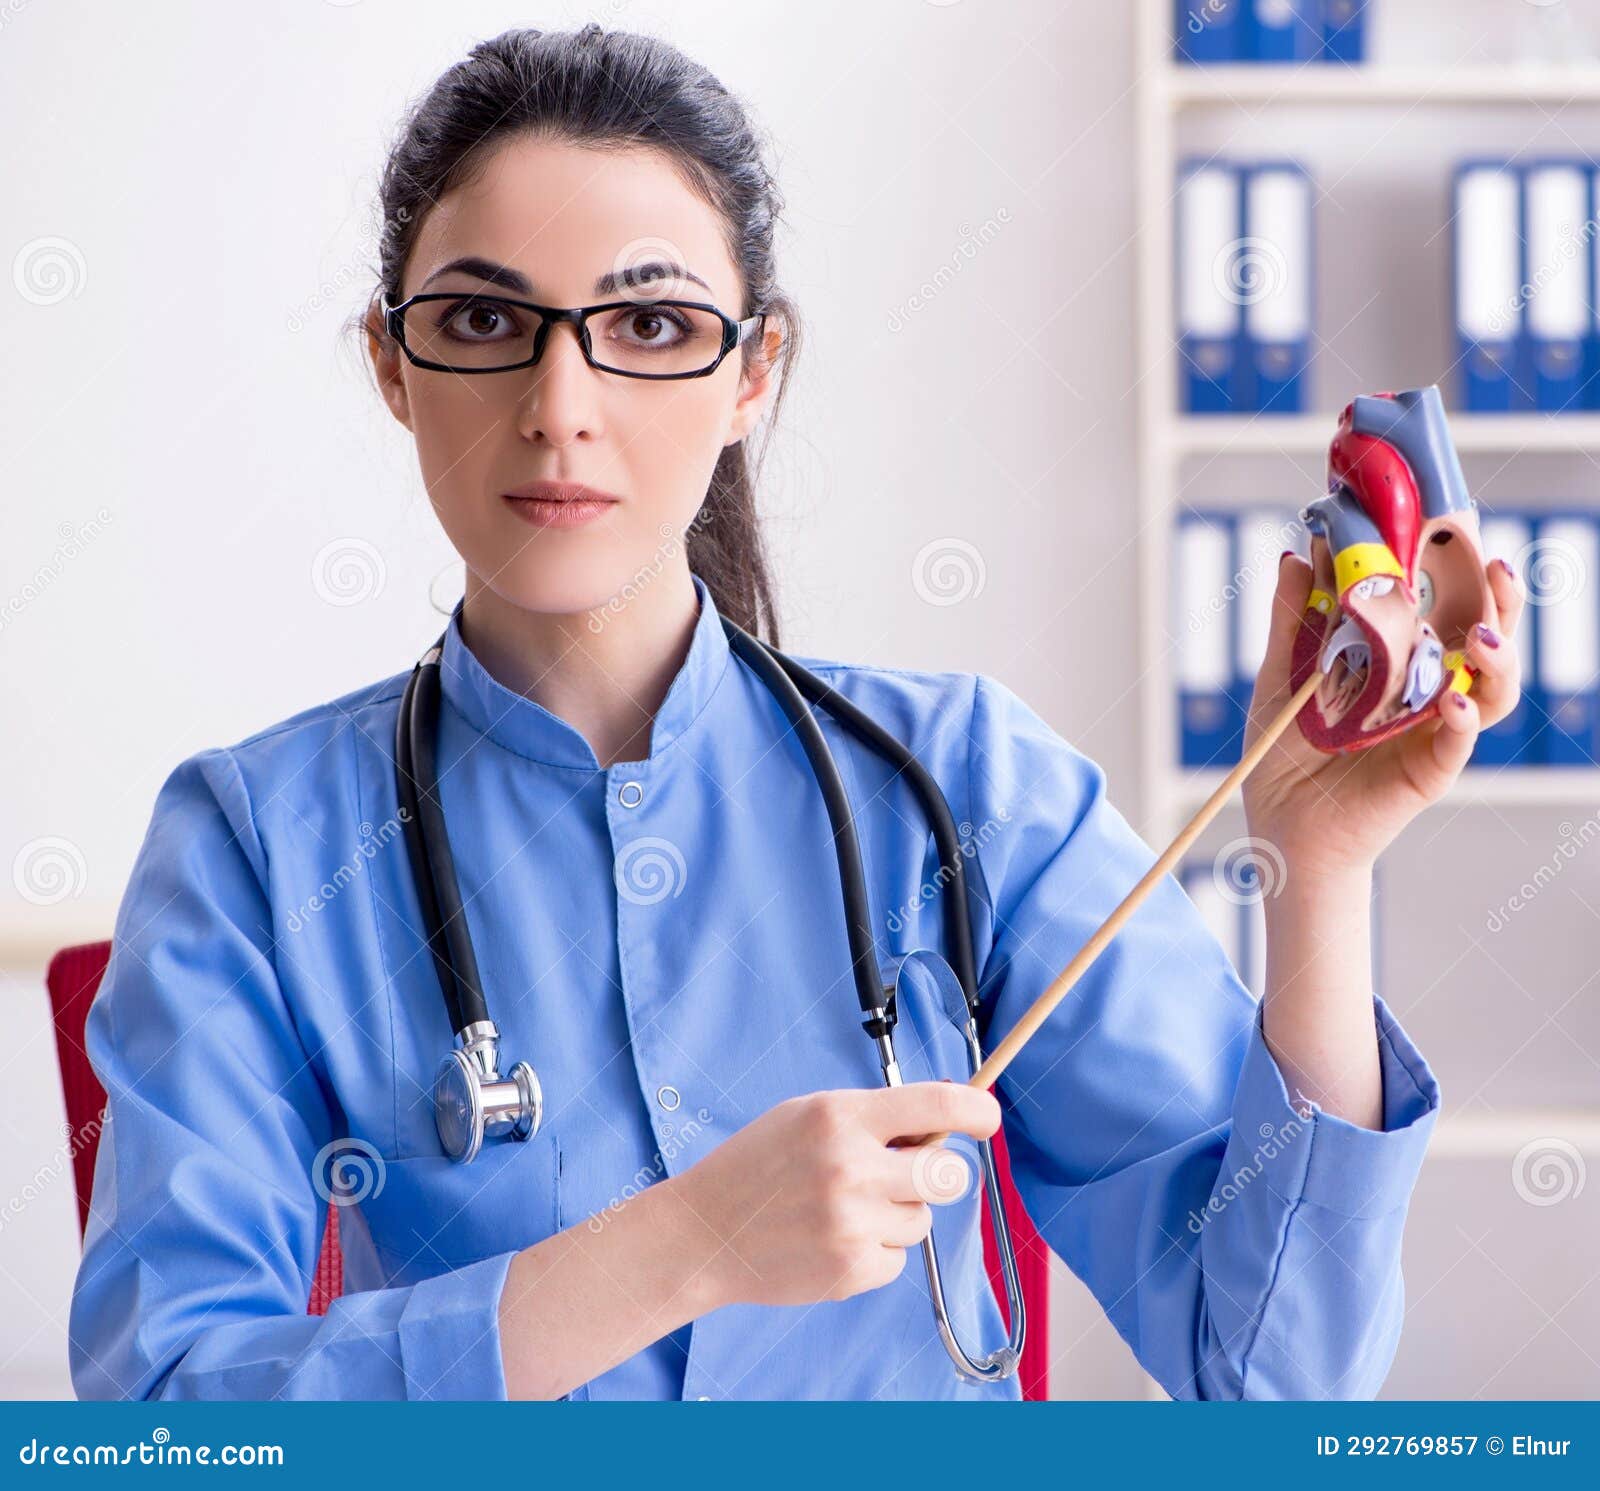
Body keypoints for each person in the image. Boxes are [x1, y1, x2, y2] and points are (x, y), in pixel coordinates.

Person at [69, 25, 1523, 1402]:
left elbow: (1272, 1380)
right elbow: (174, 1420)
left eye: (649, 322)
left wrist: (1318, 874)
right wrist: (686, 1244)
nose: (560, 403)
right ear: (393, 364)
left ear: (752, 371)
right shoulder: (256, 845)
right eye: (485, 319)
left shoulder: (967, 785)